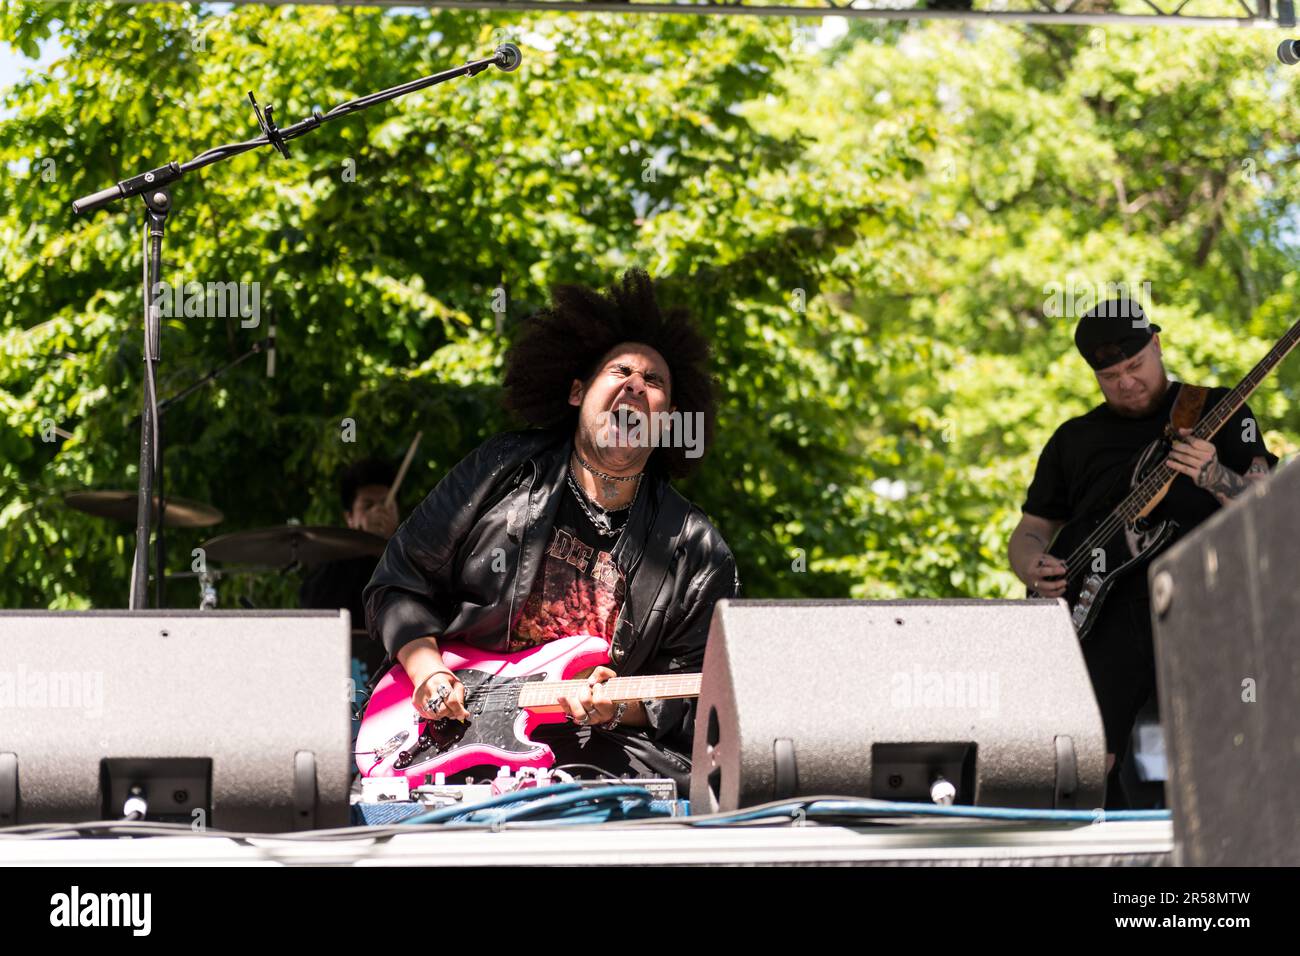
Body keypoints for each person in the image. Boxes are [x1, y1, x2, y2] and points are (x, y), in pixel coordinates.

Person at [363, 268, 738, 794]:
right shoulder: (501, 470)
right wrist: (430, 673)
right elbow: (398, 583)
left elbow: (694, 697)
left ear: (670, 421)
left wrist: (616, 707)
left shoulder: (696, 550)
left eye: (654, 382)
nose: (636, 384)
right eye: (621, 371)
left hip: (600, 760)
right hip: (454, 737)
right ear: (577, 392)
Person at [1008, 299, 1276, 807]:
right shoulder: (1073, 439)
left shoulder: (1220, 411)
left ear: (1156, 344)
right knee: (1086, 758)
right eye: (1110, 376)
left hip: (1205, 603)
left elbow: (1267, 510)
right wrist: (1031, 564)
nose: (1127, 382)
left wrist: (1214, 474)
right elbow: (1032, 528)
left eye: (1135, 366)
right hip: (1103, 615)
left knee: (1219, 748)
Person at [300, 458, 399, 693]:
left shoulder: (415, 557)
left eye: (386, 503)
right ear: (349, 518)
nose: (379, 511)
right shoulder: (333, 567)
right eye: (368, 506)